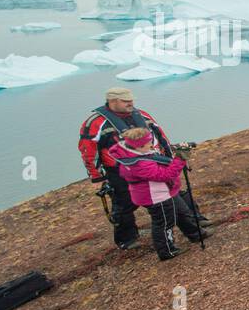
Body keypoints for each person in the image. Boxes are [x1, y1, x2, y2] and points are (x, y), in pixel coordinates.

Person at [78, 87, 201, 249]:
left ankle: (194, 226)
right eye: (125, 101)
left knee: (174, 195)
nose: (131, 103)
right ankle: (127, 239)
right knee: (123, 205)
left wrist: (171, 158)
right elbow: (88, 151)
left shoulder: (142, 115)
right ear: (112, 101)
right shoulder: (94, 123)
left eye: (131, 100)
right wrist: (97, 177)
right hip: (121, 172)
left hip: (153, 163)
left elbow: (160, 136)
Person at [107, 128, 208, 261]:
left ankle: (194, 234)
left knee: (179, 213)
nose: (152, 145)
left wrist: (176, 152)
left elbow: (156, 161)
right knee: (164, 223)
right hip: (156, 197)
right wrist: (181, 158)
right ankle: (166, 250)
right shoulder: (140, 163)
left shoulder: (132, 155)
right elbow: (165, 175)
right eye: (149, 142)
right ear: (139, 146)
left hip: (158, 193)